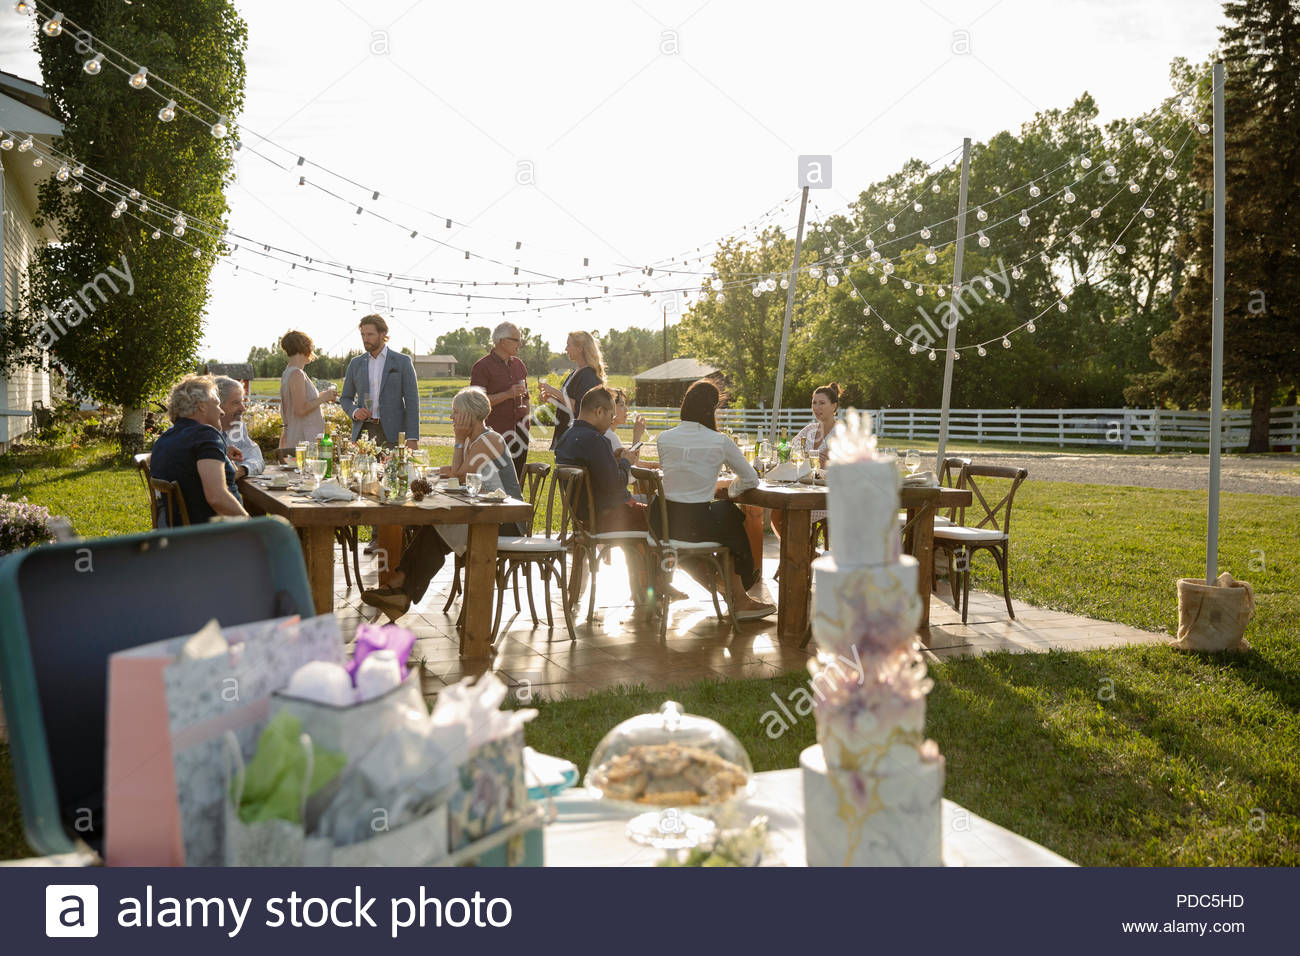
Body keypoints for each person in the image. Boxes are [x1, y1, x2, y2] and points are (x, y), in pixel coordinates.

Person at [361, 387, 525, 621]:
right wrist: (440, 469)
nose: (451, 417)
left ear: (468, 415)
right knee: (432, 525)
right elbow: (455, 474)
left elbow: (458, 474)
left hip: (505, 521)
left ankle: (399, 589)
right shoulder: (475, 440)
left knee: (437, 528)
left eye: (455, 412)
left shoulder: (489, 440)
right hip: (484, 514)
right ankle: (399, 589)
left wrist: (458, 441)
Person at [653, 380, 775, 620]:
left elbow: (681, 479)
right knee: (729, 517)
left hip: (662, 524)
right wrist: (730, 490)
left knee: (723, 518)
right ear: (712, 409)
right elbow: (751, 479)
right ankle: (739, 599)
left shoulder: (664, 438)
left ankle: (726, 589)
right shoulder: (720, 441)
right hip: (695, 526)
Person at [554, 385, 653, 612]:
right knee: (661, 516)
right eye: (610, 415)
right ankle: (651, 591)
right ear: (599, 411)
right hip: (607, 517)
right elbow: (615, 483)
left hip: (583, 517)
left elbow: (597, 471)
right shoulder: (595, 440)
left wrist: (615, 456)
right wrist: (626, 460)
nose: (611, 421)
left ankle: (644, 587)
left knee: (653, 512)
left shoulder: (568, 436)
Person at [149, 375, 248, 524]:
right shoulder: (206, 435)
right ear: (202, 406)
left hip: (176, 533)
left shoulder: (165, 439)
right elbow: (216, 497)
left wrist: (219, 452)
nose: (221, 412)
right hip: (210, 536)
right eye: (217, 404)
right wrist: (252, 525)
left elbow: (187, 465)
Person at [339, 314, 419, 450]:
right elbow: (345, 398)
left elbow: (412, 402)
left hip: (393, 435)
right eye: (363, 335)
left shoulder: (402, 362)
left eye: (370, 334)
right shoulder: (355, 363)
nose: (365, 339)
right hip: (363, 433)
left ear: (383, 334)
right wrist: (355, 411)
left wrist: (412, 438)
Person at [772, 382, 839, 541]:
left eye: (822, 403)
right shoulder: (809, 430)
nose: (817, 407)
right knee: (777, 513)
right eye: (814, 403)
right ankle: (802, 553)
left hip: (830, 495)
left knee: (793, 513)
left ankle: (800, 555)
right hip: (804, 488)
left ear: (834, 406)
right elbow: (787, 452)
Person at [470, 321, 531, 479]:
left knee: (516, 482)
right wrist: (507, 394)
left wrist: (526, 418)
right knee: (493, 483)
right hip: (494, 435)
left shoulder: (519, 365)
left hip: (520, 435)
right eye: (516, 340)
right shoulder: (482, 367)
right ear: (502, 341)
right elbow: (476, 404)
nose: (520, 344)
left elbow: (526, 397)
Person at [540, 330, 604, 448]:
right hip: (565, 431)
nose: (565, 349)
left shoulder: (589, 375)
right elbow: (568, 405)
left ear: (580, 348)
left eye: (569, 345)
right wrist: (551, 399)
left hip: (576, 436)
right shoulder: (575, 372)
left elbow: (580, 408)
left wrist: (554, 391)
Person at [277, 330, 337, 454]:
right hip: (303, 440)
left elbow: (300, 402)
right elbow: (300, 410)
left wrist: (323, 395)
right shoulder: (297, 374)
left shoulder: (289, 372)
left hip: (299, 437)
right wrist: (322, 398)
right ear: (305, 348)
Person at [214, 375, 264, 478]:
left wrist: (242, 470)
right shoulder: (200, 433)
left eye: (242, 402)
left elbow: (257, 458)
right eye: (236, 403)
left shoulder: (238, 428)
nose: (243, 409)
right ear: (217, 406)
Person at [605, 388, 646, 466]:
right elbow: (631, 467)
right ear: (610, 408)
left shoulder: (607, 433)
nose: (626, 409)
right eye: (621, 405)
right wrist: (637, 436)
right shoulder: (609, 436)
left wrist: (655, 465)